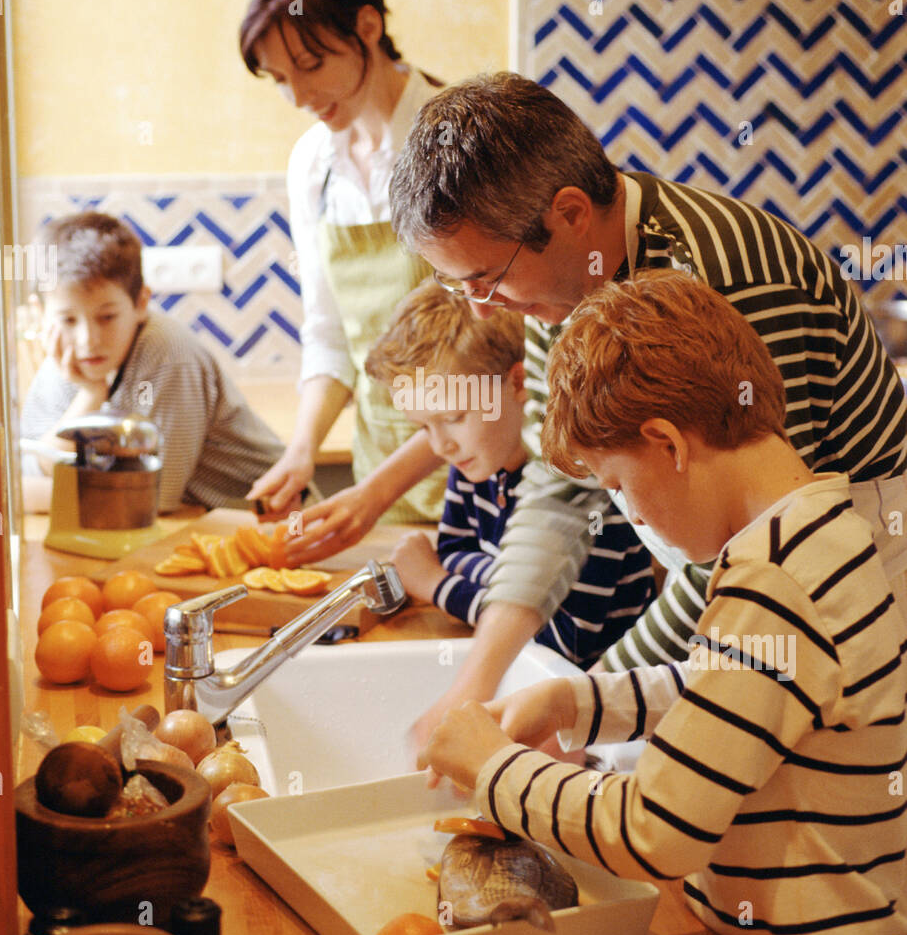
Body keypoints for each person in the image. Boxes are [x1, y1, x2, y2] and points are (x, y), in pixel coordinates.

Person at [282, 70, 907, 745]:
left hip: (857, 559)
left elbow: (758, 541)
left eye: (486, 278)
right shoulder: (558, 279)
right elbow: (561, 488)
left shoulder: (728, 280)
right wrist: (477, 683)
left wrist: (582, 710)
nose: (482, 307)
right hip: (726, 569)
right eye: (458, 284)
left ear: (570, 213)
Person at [419, 270, 907, 935]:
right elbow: (740, 694)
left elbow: (655, 830)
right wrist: (583, 702)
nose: (629, 513)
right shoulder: (821, 528)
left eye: (616, 485)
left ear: (667, 445)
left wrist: (491, 768)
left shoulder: (774, 581)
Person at [238, 0, 448, 530]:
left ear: (368, 27)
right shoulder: (313, 164)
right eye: (280, 79)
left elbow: (501, 361)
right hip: (380, 462)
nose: (299, 97)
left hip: (477, 462)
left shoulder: (454, 142)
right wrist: (301, 450)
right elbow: (329, 334)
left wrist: (376, 495)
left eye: (310, 65)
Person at [364, 278, 655, 666]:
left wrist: (436, 584)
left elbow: (564, 638)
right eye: (423, 427)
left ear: (518, 382)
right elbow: (453, 550)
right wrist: (509, 583)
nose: (440, 446)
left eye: (453, 417)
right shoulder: (475, 463)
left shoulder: (578, 484)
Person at [19, 211, 284, 513]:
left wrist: (37, 495)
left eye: (107, 317)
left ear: (141, 303)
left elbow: (156, 498)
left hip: (265, 522)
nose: (87, 339)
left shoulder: (169, 353)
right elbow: (32, 469)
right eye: (67, 319)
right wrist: (90, 395)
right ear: (40, 313)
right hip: (183, 525)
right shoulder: (65, 361)